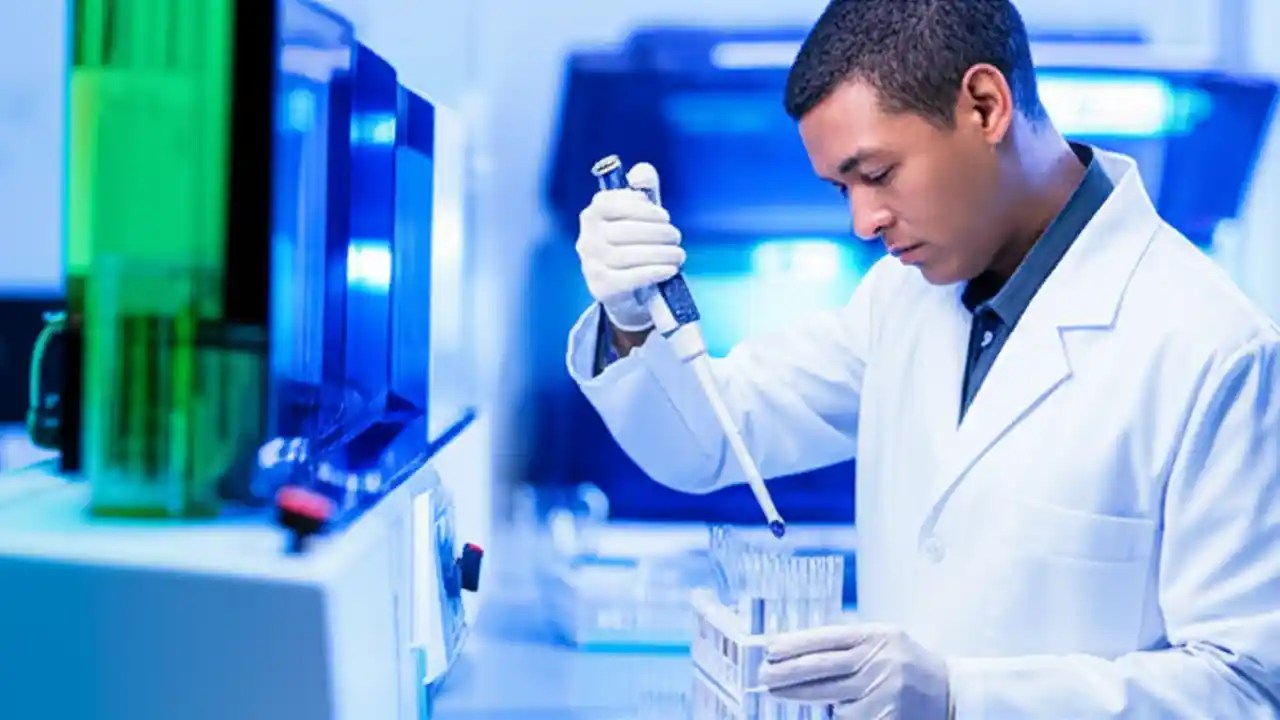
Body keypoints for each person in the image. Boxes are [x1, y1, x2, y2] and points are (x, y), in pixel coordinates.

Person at [565, 0, 1280, 717]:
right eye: (843, 188)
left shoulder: (1214, 350)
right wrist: (633, 320)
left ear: (984, 105)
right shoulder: (900, 301)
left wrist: (965, 698)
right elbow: (717, 440)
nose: (863, 222)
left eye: (876, 173)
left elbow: (1246, 689)